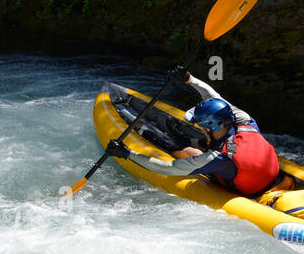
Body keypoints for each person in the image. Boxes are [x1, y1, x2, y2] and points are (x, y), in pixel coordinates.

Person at [106, 65, 287, 197]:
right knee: (203, 143)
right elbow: (214, 97)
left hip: (246, 189)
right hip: (271, 176)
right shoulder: (245, 121)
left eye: (200, 124)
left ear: (210, 126)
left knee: (188, 152)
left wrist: (127, 154)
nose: (199, 126)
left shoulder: (219, 159)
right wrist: (188, 78)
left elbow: (168, 169)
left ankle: (175, 146)